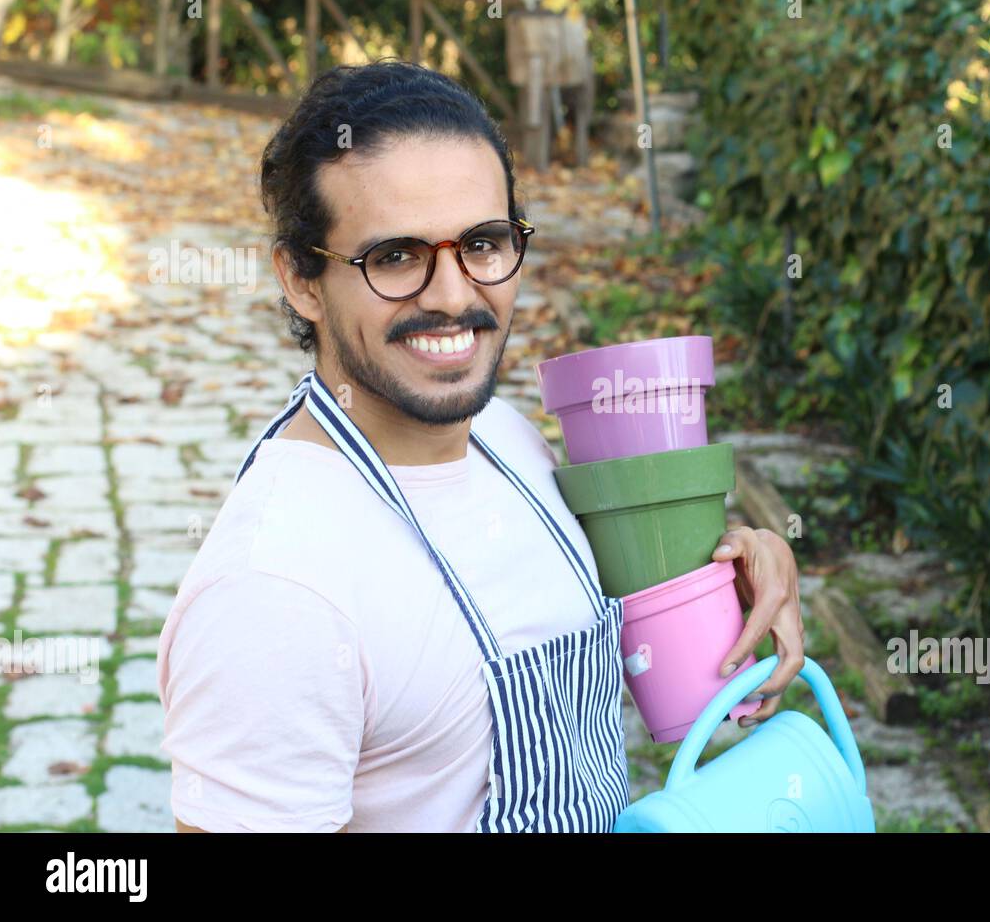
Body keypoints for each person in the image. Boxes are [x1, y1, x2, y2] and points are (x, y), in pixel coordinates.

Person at [156, 59, 805, 832]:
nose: (455, 295)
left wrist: (743, 576)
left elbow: (671, 684)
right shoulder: (275, 594)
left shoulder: (507, 439)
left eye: (484, 244)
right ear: (301, 279)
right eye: (394, 257)